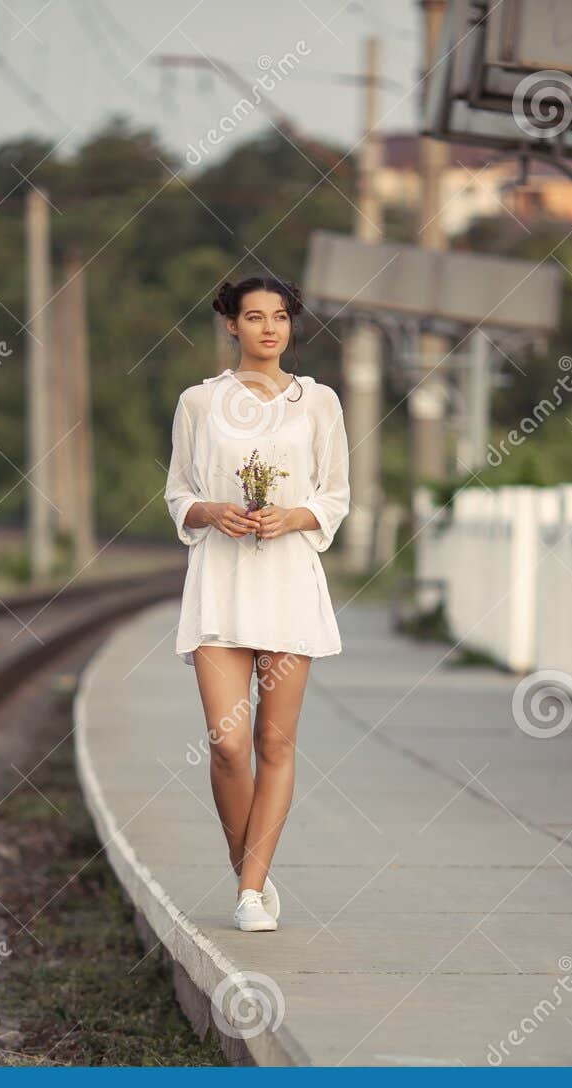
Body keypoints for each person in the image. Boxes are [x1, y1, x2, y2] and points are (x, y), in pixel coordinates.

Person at [163, 275, 350, 932]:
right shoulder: (198, 402)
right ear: (231, 325)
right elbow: (178, 493)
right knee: (228, 742)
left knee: (274, 738)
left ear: (290, 325)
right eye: (254, 316)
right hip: (219, 581)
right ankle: (251, 864)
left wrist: (292, 515)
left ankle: (249, 889)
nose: (269, 328)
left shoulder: (319, 403)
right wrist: (213, 509)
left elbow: (336, 496)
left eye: (280, 317)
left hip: (290, 583)